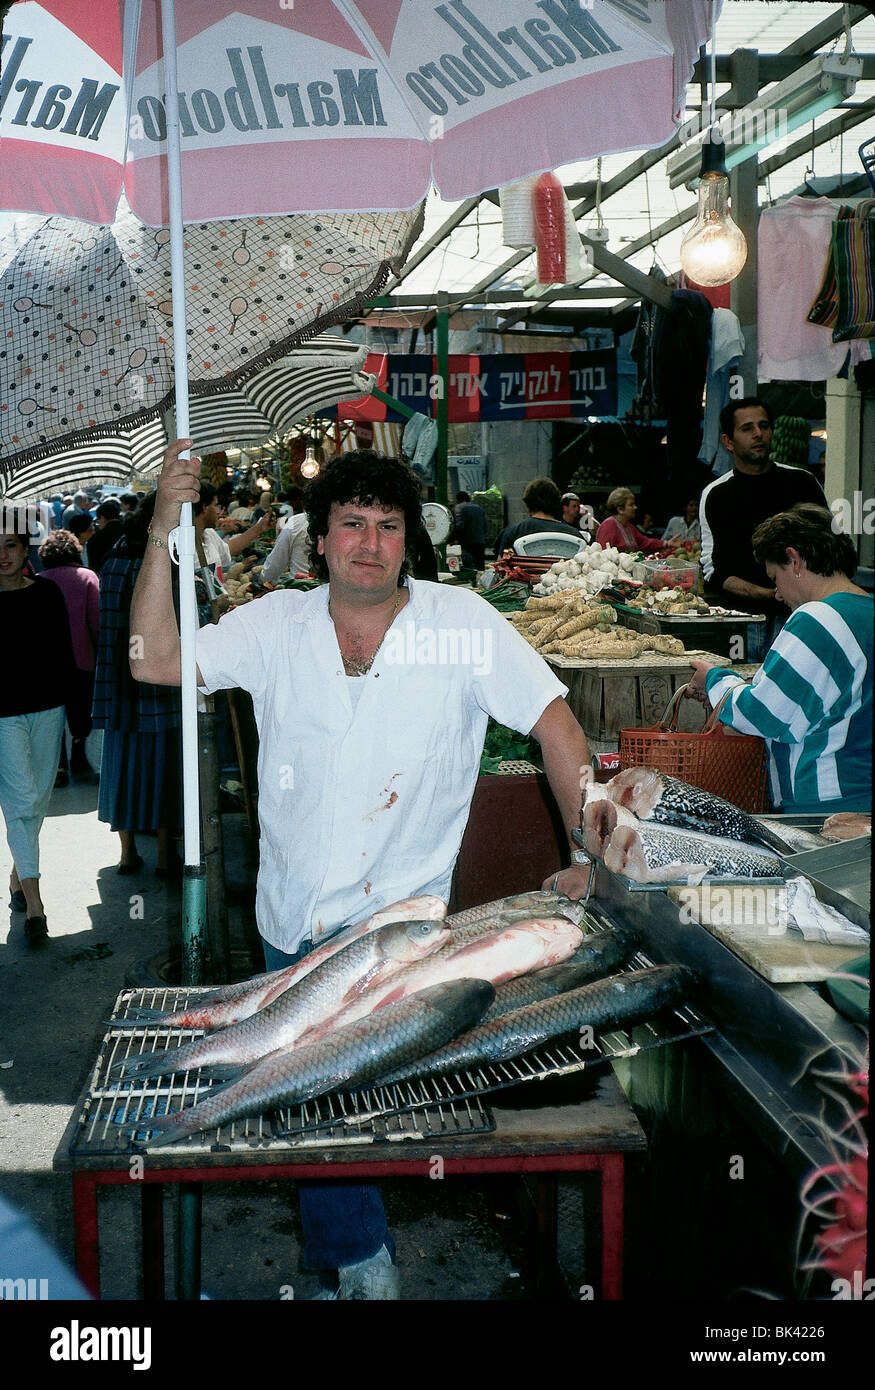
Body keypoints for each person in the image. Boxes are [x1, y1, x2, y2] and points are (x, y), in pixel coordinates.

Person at [131, 440, 594, 1299]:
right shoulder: (275, 625)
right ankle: (350, 1255)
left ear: (409, 543)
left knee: (342, 1095)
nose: (371, 543)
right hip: (291, 923)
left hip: (399, 930)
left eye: (388, 527)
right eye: (352, 525)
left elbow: (556, 726)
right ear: (319, 540)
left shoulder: (461, 625)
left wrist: (584, 854)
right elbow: (149, 657)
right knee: (308, 1101)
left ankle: (358, 1262)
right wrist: (165, 525)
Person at [687, 505, 872, 815]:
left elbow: (765, 713)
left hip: (825, 807)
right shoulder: (867, 611)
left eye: (776, 577)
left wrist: (715, 680)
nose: (778, 593)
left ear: (795, 560)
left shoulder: (818, 619)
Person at [91, 495, 183, 879]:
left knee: (123, 768)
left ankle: (128, 854)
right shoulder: (160, 566)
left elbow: (106, 628)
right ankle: (164, 855)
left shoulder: (111, 562)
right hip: (156, 683)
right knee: (162, 769)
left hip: (117, 684)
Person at [0, 527, 75, 945]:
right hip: (3, 716)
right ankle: (36, 906)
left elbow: (65, 651)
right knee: (20, 802)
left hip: (49, 708)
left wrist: (76, 712)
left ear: (24, 549)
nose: (3, 556)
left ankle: (16, 875)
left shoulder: (47, 593)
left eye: (10, 546)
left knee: (38, 799)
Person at [699, 397, 827, 624]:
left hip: (803, 615)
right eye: (747, 428)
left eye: (764, 426)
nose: (758, 434)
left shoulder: (803, 482)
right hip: (744, 619)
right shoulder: (717, 495)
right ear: (728, 442)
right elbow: (714, 571)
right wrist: (770, 594)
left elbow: (831, 545)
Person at [38, 530, 100, 784]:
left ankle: (59, 766)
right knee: (81, 712)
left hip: (45, 662)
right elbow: (96, 621)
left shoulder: (38, 580)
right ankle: (78, 756)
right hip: (81, 658)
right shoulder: (87, 577)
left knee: (53, 715)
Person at [494, 478, 583, 558]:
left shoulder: (512, 532)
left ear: (527, 502)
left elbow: (501, 566)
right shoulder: (576, 535)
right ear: (557, 503)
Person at [595, 488, 664, 554]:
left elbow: (644, 542)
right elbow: (603, 553)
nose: (635, 507)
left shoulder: (628, 526)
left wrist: (666, 543)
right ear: (620, 509)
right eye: (631, 505)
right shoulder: (609, 525)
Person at [87, 498, 125, 577]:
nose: (98, 523)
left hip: (105, 578)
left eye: (98, 520)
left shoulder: (96, 538)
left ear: (102, 517)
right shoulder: (129, 531)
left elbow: (93, 567)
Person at [451, 491, 487, 569]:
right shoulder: (479, 508)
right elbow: (485, 526)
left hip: (467, 543)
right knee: (480, 567)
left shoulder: (458, 508)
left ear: (458, 499)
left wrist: (454, 539)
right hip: (480, 541)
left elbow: (459, 526)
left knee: (468, 567)